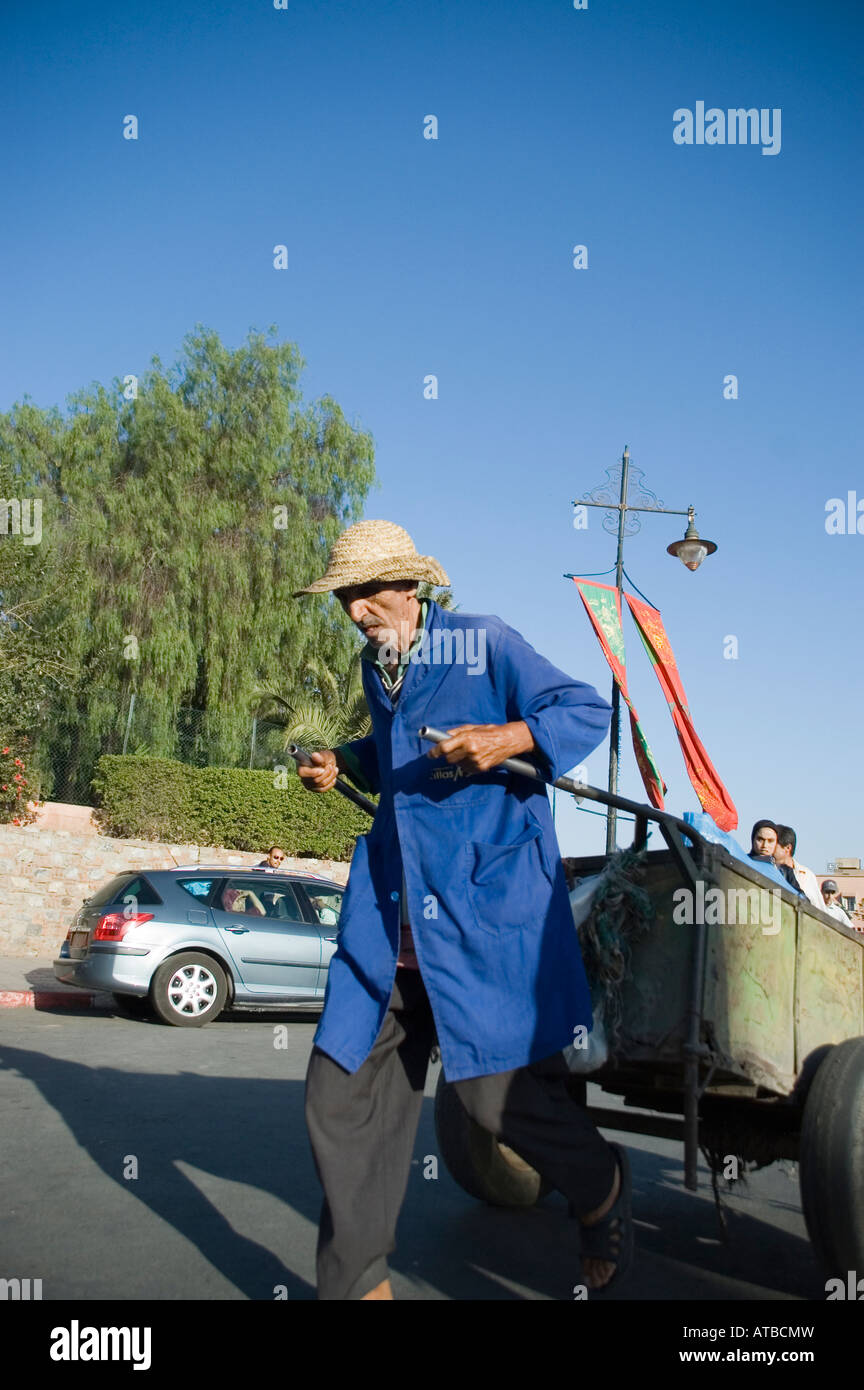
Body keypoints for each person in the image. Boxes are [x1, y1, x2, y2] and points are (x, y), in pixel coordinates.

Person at [293, 519, 630, 1300]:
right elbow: (393, 756)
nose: (354, 612)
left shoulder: (484, 642)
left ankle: (603, 1188)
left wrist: (509, 735)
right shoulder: (378, 666)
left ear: (408, 588)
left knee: (492, 1096)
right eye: (344, 598)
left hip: (484, 912)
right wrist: (343, 761)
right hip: (390, 924)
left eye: (365, 595)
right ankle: (358, 1285)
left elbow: (582, 709)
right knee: (336, 1091)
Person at [774, 826, 823, 907]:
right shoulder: (768, 870)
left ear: (787, 848)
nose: (768, 846)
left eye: (773, 842)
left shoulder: (807, 875)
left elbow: (820, 910)